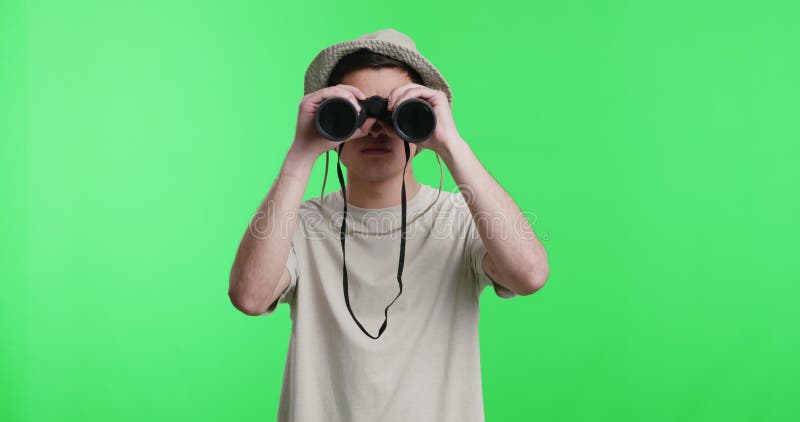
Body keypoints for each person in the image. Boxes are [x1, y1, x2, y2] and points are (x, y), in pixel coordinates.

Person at [228, 28, 549, 422]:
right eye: (357, 112)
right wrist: (302, 152)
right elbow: (249, 297)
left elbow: (530, 274)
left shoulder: (461, 220)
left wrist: (451, 144)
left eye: (398, 114)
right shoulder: (300, 223)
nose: (376, 127)